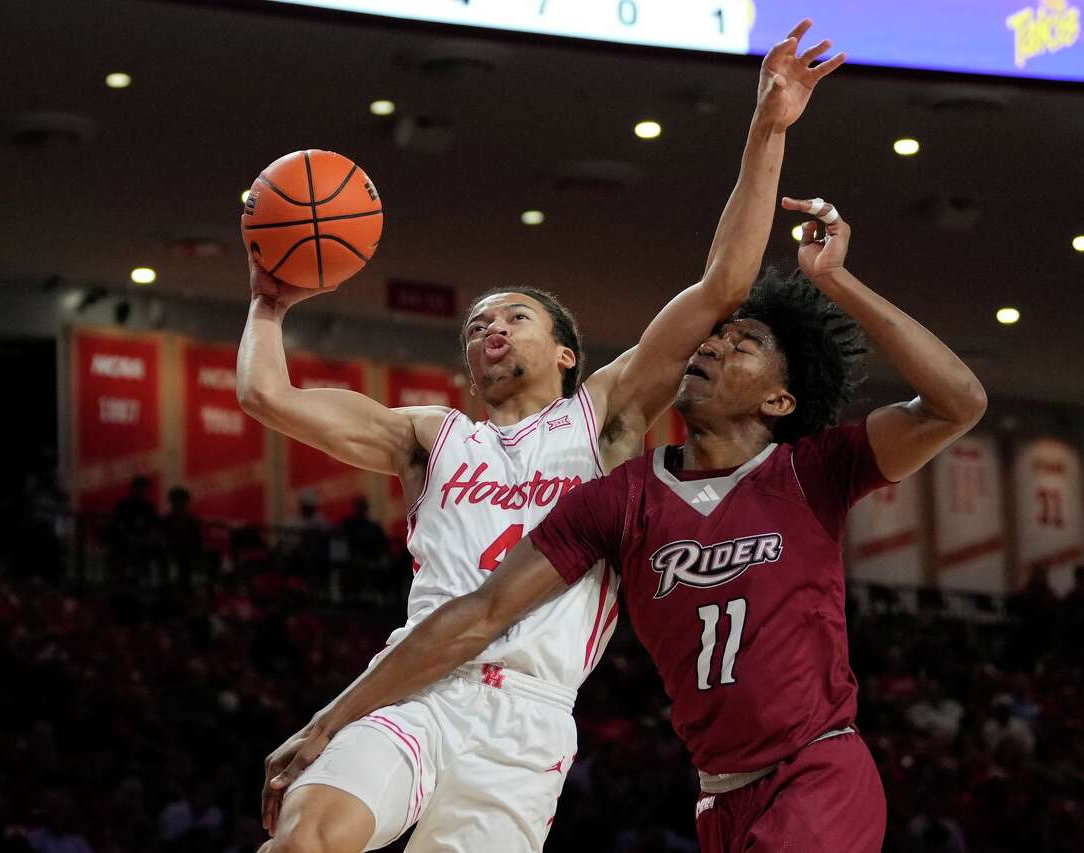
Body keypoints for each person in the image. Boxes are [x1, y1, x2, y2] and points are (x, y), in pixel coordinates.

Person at [240, 20, 844, 853]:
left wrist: (768, 128)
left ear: (565, 350)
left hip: (526, 722)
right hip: (414, 682)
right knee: (307, 837)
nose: (490, 329)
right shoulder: (429, 434)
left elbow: (721, 287)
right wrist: (268, 303)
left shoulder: (604, 416)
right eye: (477, 324)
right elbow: (267, 395)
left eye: (513, 317)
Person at [285, 197, 987, 852]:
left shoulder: (814, 472)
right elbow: (483, 610)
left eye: (740, 345)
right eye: (713, 340)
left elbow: (958, 402)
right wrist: (330, 717)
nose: (710, 347)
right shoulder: (622, 496)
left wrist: (837, 282)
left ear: (780, 397)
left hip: (818, 766)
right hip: (719, 794)